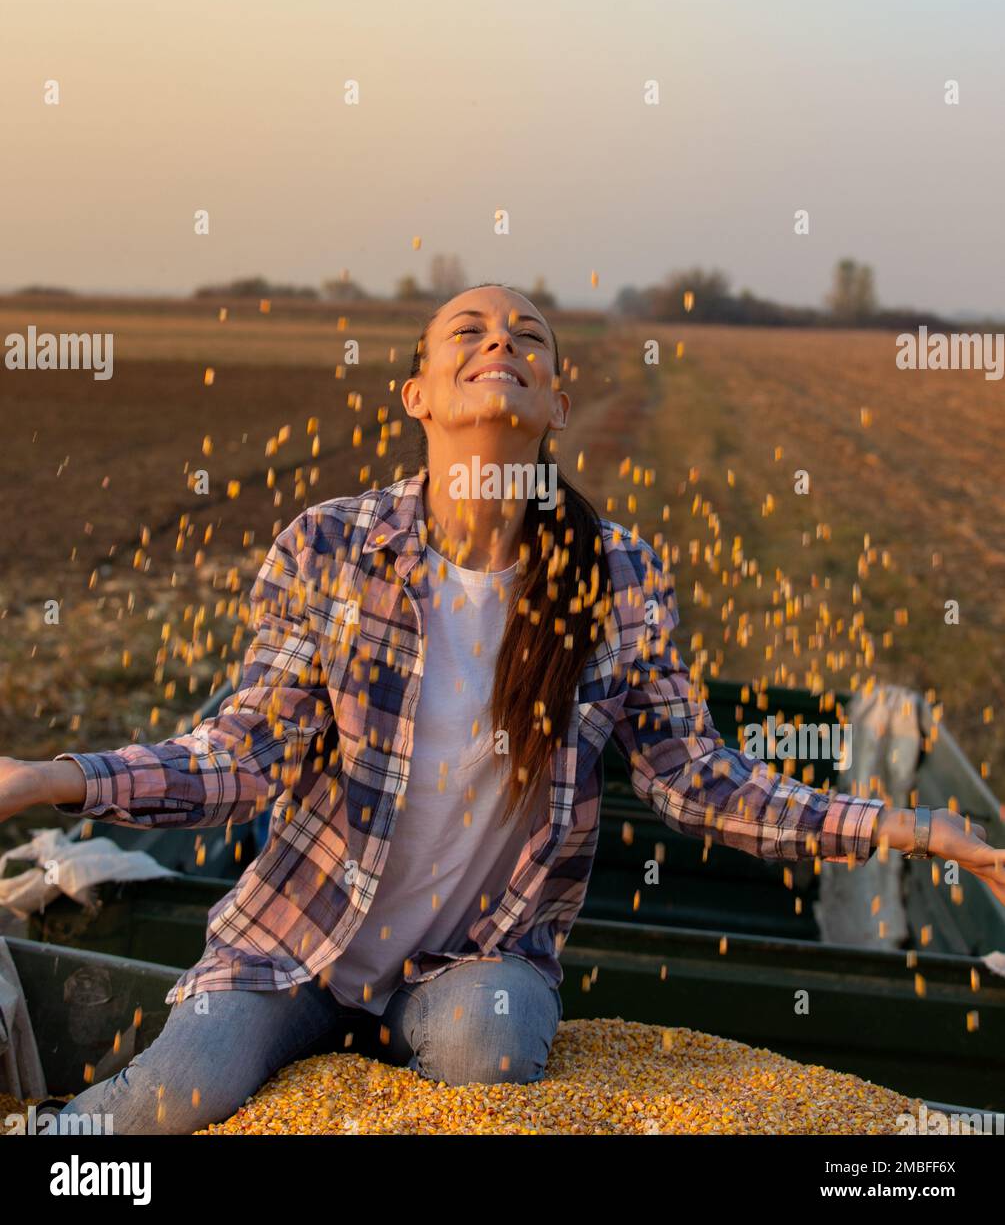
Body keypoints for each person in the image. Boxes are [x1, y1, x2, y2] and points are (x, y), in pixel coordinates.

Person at [2, 283, 1002, 1136]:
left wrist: (909, 825)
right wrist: (55, 778)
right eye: (469, 333)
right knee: (183, 1090)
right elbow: (242, 755)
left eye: (528, 335)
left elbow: (697, 780)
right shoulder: (334, 546)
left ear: (558, 401)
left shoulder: (616, 576)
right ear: (420, 394)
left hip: (472, 960)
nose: (501, 343)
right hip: (293, 946)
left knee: (491, 1046)